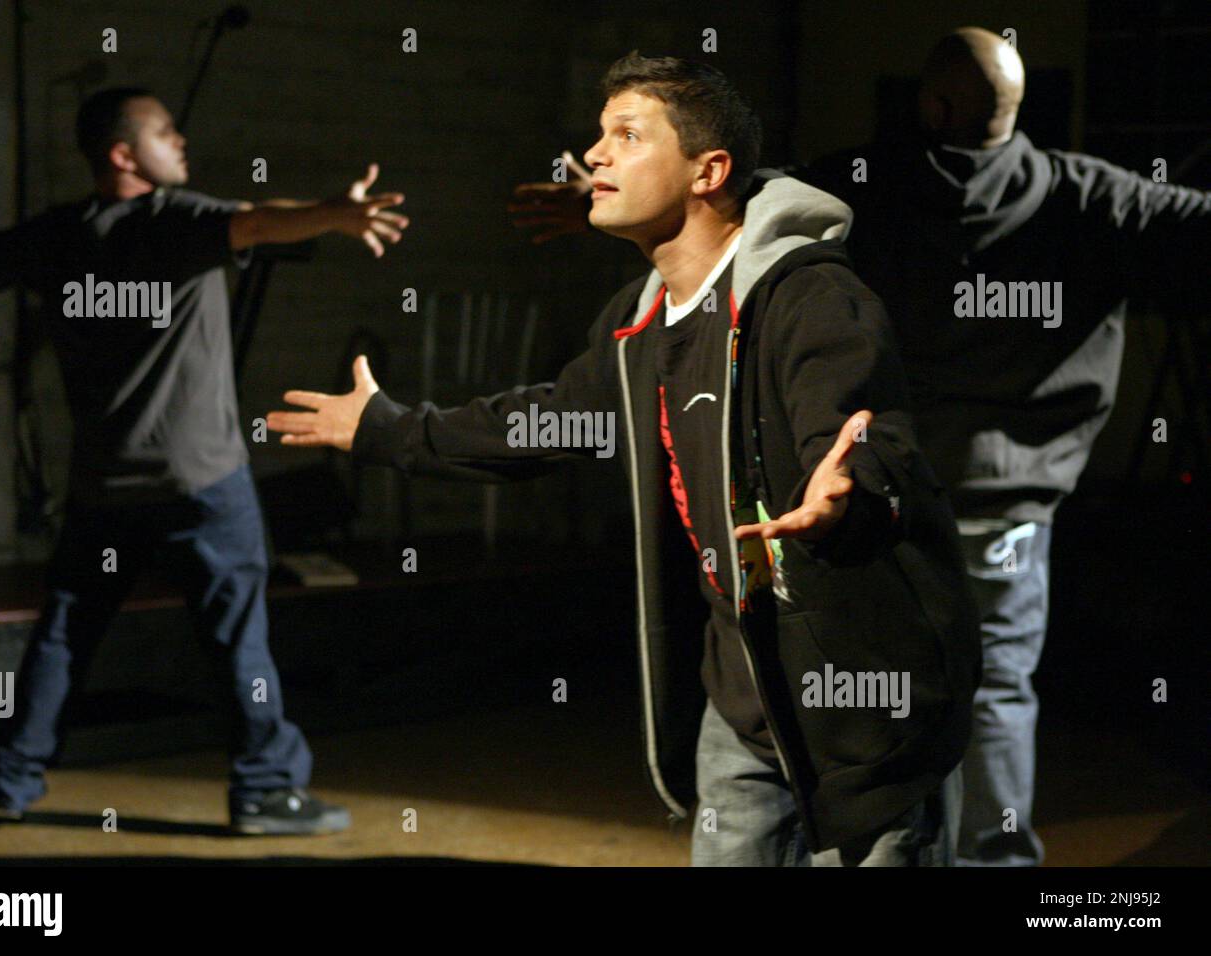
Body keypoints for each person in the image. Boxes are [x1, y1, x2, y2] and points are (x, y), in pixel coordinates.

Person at [510, 28, 1211, 866]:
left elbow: (740, 203)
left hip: (860, 508)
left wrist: (615, 206)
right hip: (996, 513)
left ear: (932, 104)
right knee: (987, 699)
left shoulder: (873, 186)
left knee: (832, 698)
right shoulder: (1098, 200)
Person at [267, 53, 980, 866]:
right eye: (599, 135)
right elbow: (550, 424)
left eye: (627, 136)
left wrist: (849, 490)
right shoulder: (642, 322)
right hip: (740, 691)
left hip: (865, 703)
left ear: (709, 170)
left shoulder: (809, 297)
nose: (595, 155)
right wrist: (387, 428)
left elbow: (861, 427)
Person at [0, 87, 409, 834]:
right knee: (237, 637)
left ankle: (7, 784)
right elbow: (260, 221)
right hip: (202, 482)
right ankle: (266, 793)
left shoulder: (55, 236)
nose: (180, 142)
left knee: (64, 635)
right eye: (165, 132)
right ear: (122, 154)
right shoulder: (179, 221)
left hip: (103, 488)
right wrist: (337, 212)